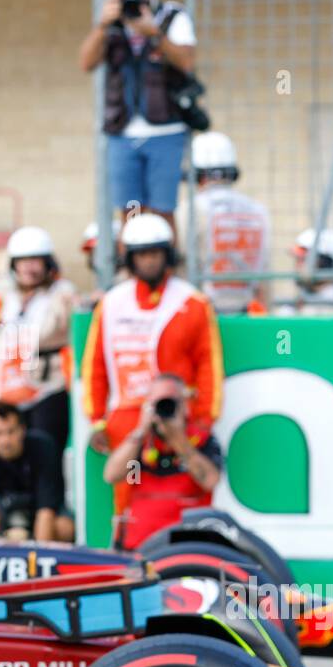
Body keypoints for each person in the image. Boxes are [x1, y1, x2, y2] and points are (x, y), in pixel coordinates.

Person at [82, 213, 224, 518]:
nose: (149, 261)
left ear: (167, 255)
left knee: (187, 497)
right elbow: (95, 366)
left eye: (155, 253)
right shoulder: (111, 303)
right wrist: (97, 420)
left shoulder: (193, 303)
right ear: (130, 258)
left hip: (178, 416)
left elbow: (209, 368)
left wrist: (202, 423)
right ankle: (128, 551)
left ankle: (189, 558)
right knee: (127, 500)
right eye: (142, 254)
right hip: (127, 420)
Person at [79, 0, 197, 232]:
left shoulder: (172, 16)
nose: (127, 5)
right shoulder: (112, 26)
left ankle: (167, 267)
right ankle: (130, 270)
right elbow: (86, 62)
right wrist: (102, 26)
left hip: (166, 129)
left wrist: (153, 33)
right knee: (130, 212)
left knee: (162, 211)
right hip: (122, 131)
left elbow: (186, 62)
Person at [103, 372, 223, 550]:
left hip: (187, 544)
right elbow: (112, 475)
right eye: (158, 403)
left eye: (170, 402)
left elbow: (210, 481)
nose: (164, 408)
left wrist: (179, 440)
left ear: (183, 406)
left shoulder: (200, 440)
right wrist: (140, 431)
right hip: (138, 546)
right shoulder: (140, 446)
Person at [0, 226, 77, 463]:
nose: (29, 268)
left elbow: (51, 332)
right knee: (11, 453)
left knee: (46, 448)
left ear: (47, 263)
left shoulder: (61, 293)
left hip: (49, 386)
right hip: (11, 389)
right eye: (23, 261)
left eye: (35, 261)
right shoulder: (6, 296)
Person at [191, 132, 270, 315]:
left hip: (204, 310)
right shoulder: (258, 210)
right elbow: (264, 269)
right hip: (249, 309)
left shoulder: (191, 210)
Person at [0, 401, 74, 543]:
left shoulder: (42, 447)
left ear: (23, 429)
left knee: (64, 527)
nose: (5, 440)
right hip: (2, 522)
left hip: (40, 517)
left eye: (11, 431)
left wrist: (39, 557)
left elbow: (47, 508)